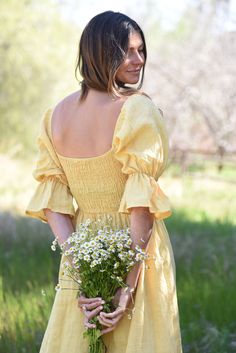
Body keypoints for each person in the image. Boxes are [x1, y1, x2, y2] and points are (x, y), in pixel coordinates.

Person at [25, 10, 182, 353]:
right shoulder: (136, 110)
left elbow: (55, 207)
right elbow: (140, 207)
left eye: (142, 50)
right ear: (101, 52)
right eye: (128, 51)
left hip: (85, 248)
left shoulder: (55, 116)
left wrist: (82, 269)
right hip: (135, 249)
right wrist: (127, 286)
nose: (139, 60)